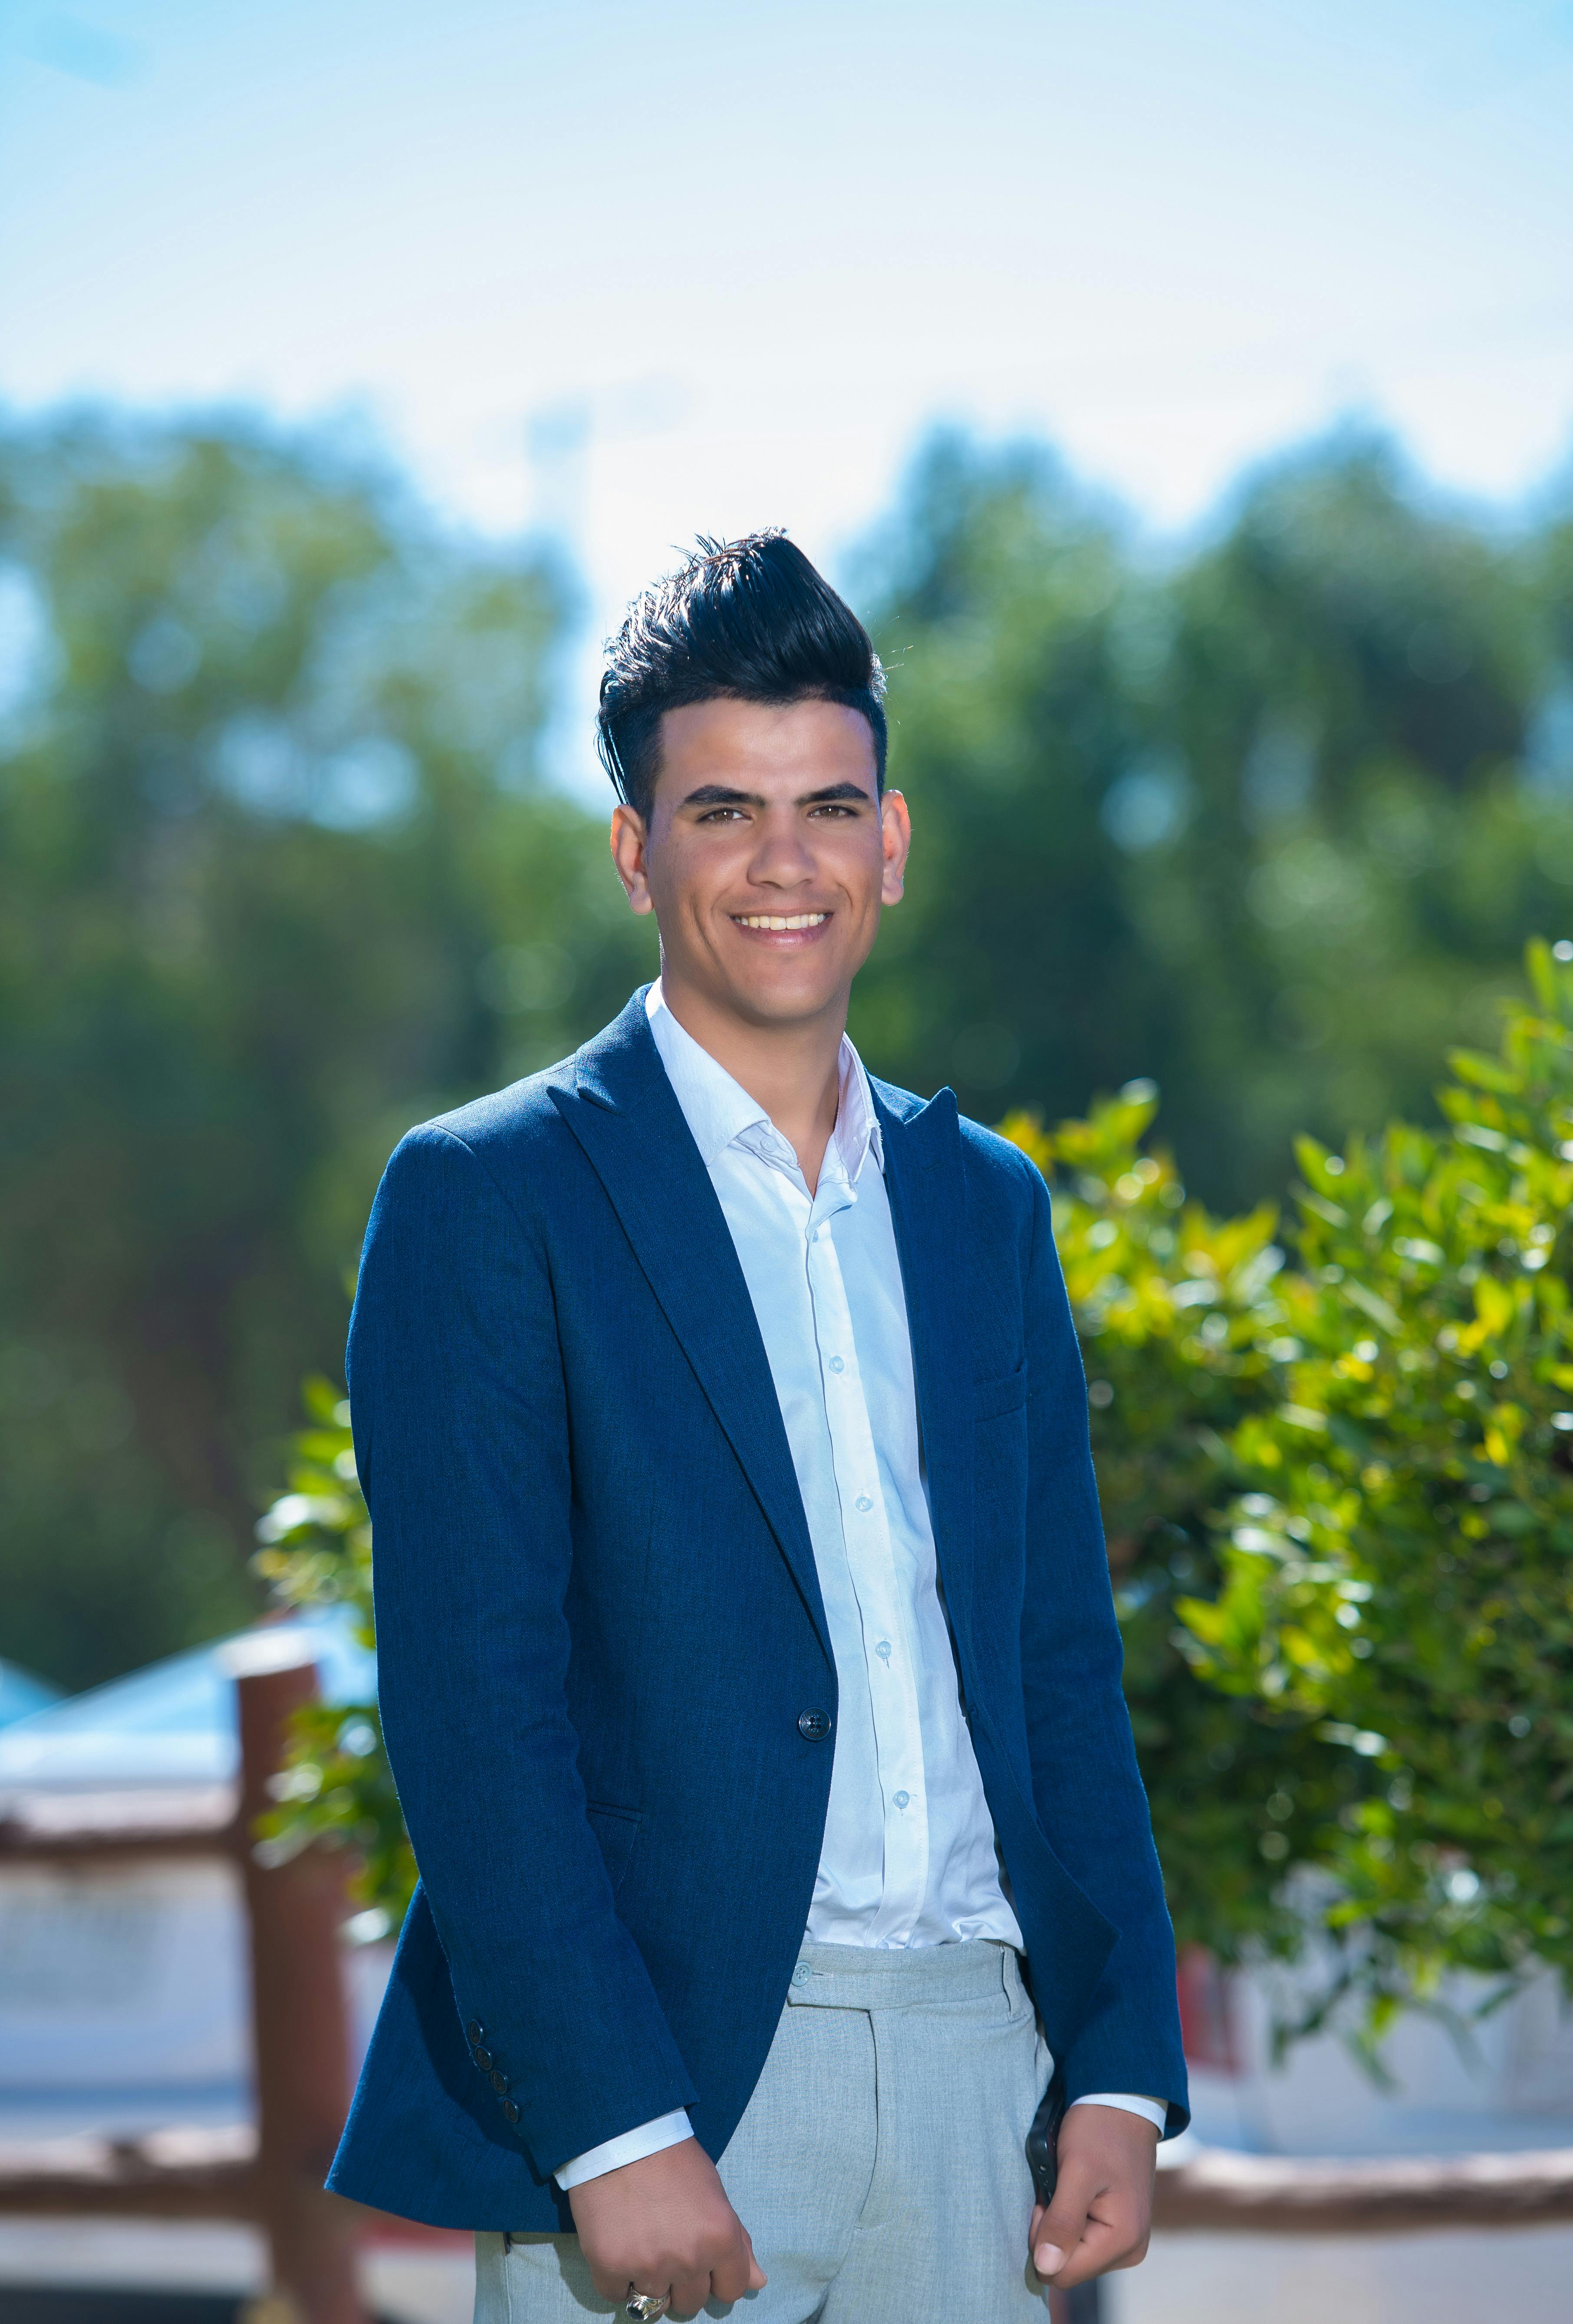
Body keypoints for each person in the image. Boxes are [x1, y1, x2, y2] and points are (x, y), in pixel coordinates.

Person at [329, 533, 1189, 2322]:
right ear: (638, 850)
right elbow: (470, 1707)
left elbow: (1049, 1660)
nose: (782, 863)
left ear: (892, 838)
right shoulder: (488, 1197)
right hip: (674, 2090)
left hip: (974, 2062)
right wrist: (609, 2121)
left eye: (826, 806)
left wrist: (1114, 2056)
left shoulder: (985, 1208)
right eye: (722, 811)